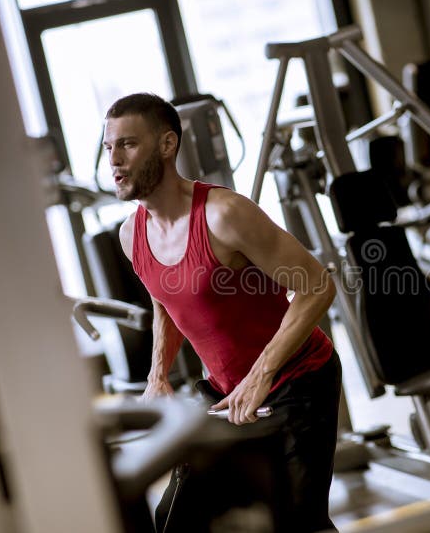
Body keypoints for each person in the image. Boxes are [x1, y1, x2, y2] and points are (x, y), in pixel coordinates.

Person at [103, 92, 341, 532]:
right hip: (224, 394)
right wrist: (158, 375)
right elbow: (165, 299)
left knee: (298, 523)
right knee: (174, 521)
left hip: (297, 381)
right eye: (108, 147)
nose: (114, 160)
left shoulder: (223, 214)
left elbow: (317, 285)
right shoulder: (130, 234)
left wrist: (261, 374)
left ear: (167, 145)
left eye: (128, 145)